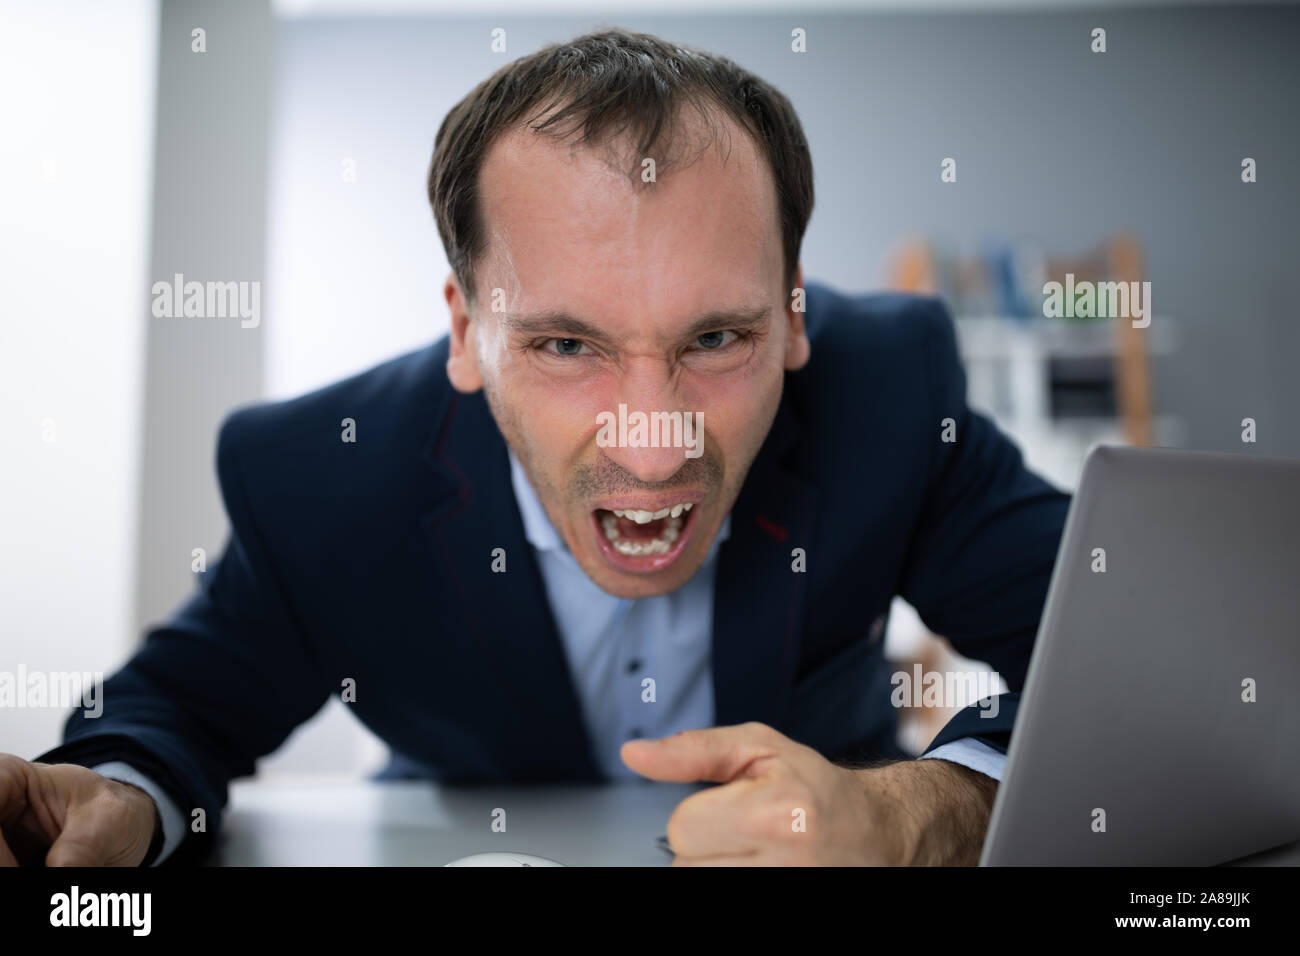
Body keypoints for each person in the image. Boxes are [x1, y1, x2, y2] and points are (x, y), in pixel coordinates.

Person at [1, 28, 1068, 867]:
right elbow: (172, 711)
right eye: (566, 342)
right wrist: (123, 798)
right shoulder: (324, 474)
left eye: (714, 337)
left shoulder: (885, 393)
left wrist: (929, 807)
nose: (652, 452)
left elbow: (1124, 658)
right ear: (469, 332)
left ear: (792, 317)